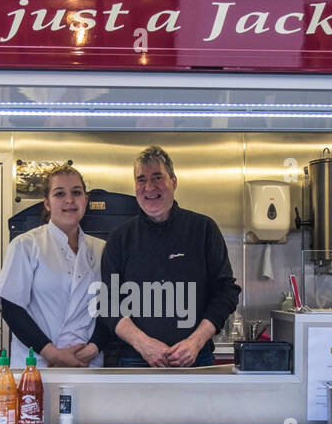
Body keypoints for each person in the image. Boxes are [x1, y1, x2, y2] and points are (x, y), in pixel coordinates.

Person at [99, 145, 241, 367]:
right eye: (141, 179)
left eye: (157, 177)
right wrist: (143, 344)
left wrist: (195, 342)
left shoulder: (203, 229)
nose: (149, 187)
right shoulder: (120, 238)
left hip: (195, 358)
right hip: (135, 360)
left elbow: (226, 292)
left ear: (174, 181)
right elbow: (108, 303)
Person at [0, 164, 109, 367]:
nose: (69, 200)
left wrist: (93, 348)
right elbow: (12, 309)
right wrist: (52, 353)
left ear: (86, 200)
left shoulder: (102, 250)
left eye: (76, 192)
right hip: (37, 365)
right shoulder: (26, 245)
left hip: (87, 364)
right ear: (47, 203)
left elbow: (111, 308)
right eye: (59, 194)